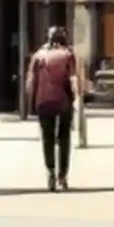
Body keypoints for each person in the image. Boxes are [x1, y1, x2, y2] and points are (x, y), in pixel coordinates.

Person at [26, 26, 80, 192]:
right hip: (63, 101)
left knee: (47, 138)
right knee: (64, 138)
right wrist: (77, 97)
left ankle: (50, 172)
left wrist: (31, 102)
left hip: (44, 101)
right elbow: (73, 78)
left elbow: (30, 81)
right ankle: (62, 175)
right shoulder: (67, 55)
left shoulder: (38, 56)